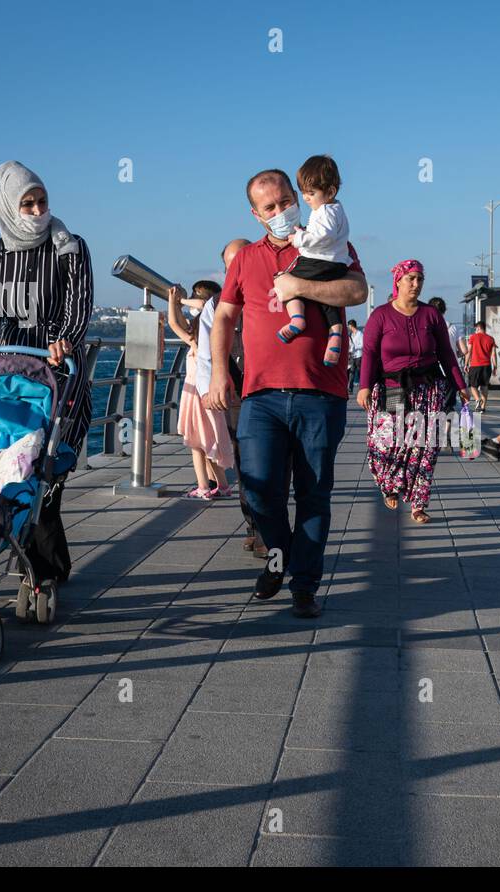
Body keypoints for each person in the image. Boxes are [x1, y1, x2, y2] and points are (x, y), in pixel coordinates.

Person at [207, 169, 368, 618]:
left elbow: (357, 289)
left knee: (314, 494)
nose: (281, 212)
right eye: (270, 208)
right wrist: (220, 373)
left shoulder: (327, 241)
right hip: (261, 396)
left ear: (297, 198)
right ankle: (279, 559)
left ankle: (304, 585)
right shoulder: (245, 259)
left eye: (285, 201)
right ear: (256, 216)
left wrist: (300, 287)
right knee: (260, 492)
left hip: (321, 392)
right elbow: (223, 318)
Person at [0, 160, 92, 584]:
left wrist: (66, 339)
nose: (38, 211)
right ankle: (0, 560)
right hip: (6, 371)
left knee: (46, 470)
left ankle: (45, 570)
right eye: (27, 204)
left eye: (42, 201)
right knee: (5, 464)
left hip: (56, 372)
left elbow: (79, 303)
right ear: (8, 207)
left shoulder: (69, 246)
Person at [357, 260, 466, 524]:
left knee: (426, 447)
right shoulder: (380, 315)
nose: (416, 284)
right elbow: (370, 353)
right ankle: (391, 484)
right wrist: (363, 386)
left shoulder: (431, 315)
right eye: (411, 279)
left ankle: (418, 502)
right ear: (398, 281)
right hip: (392, 387)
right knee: (389, 442)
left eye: (420, 279)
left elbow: (446, 354)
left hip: (428, 390)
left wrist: (461, 386)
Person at [217, 238, 269, 558]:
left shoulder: (268, 296)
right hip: (236, 394)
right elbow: (212, 347)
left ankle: (267, 532)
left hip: (268, 389)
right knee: (243, 465)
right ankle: (253, 524)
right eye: (231, 264)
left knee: (269, 465)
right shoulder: (218, 304)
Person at [275, 155, 350, 367]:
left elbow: (323, 236)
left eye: (311, 193)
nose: (307, 198)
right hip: (337, 264)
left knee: (285, 282)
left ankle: (297, 319)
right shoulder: (337, 209)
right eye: (304, 193)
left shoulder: (324, 210)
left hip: (319, 261)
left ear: (331, 191)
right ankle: (335, 334)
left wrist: (298, 238)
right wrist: (306, 232)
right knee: (326, 298)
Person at [167, 280, 235, 500]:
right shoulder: (216, 330)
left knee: (197, 442)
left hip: (198, 392)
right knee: (208, 441)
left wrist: (175, 301)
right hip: (208, 389)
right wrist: (178, 304)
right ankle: (223, 486)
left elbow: (174, 324)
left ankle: (203, 487)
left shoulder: (197, 339)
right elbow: (178, 321)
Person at [466, 320, 497, 412]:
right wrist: (495, 367)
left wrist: (466, 364)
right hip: (486, 366)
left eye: (476, 329)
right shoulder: (491, 339)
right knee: (484, 386)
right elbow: (493, 355)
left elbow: (469, 352)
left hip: (475, 366)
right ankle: (483, 407)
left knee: (473, 385)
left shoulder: (473, 337)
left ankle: (477, 400)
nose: (475, 331)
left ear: (479, 328)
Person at [346, 318, 363, 394]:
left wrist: (354, 347)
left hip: (359, 356)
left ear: (351, 326)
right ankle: (350, 389)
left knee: (360, 373)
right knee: (351, 373)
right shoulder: (350, 335)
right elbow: (350, 344)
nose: (348, 327)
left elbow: (363, 345)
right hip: (353, 356)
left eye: (348, 326)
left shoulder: (360, 334)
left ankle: (362, 388)